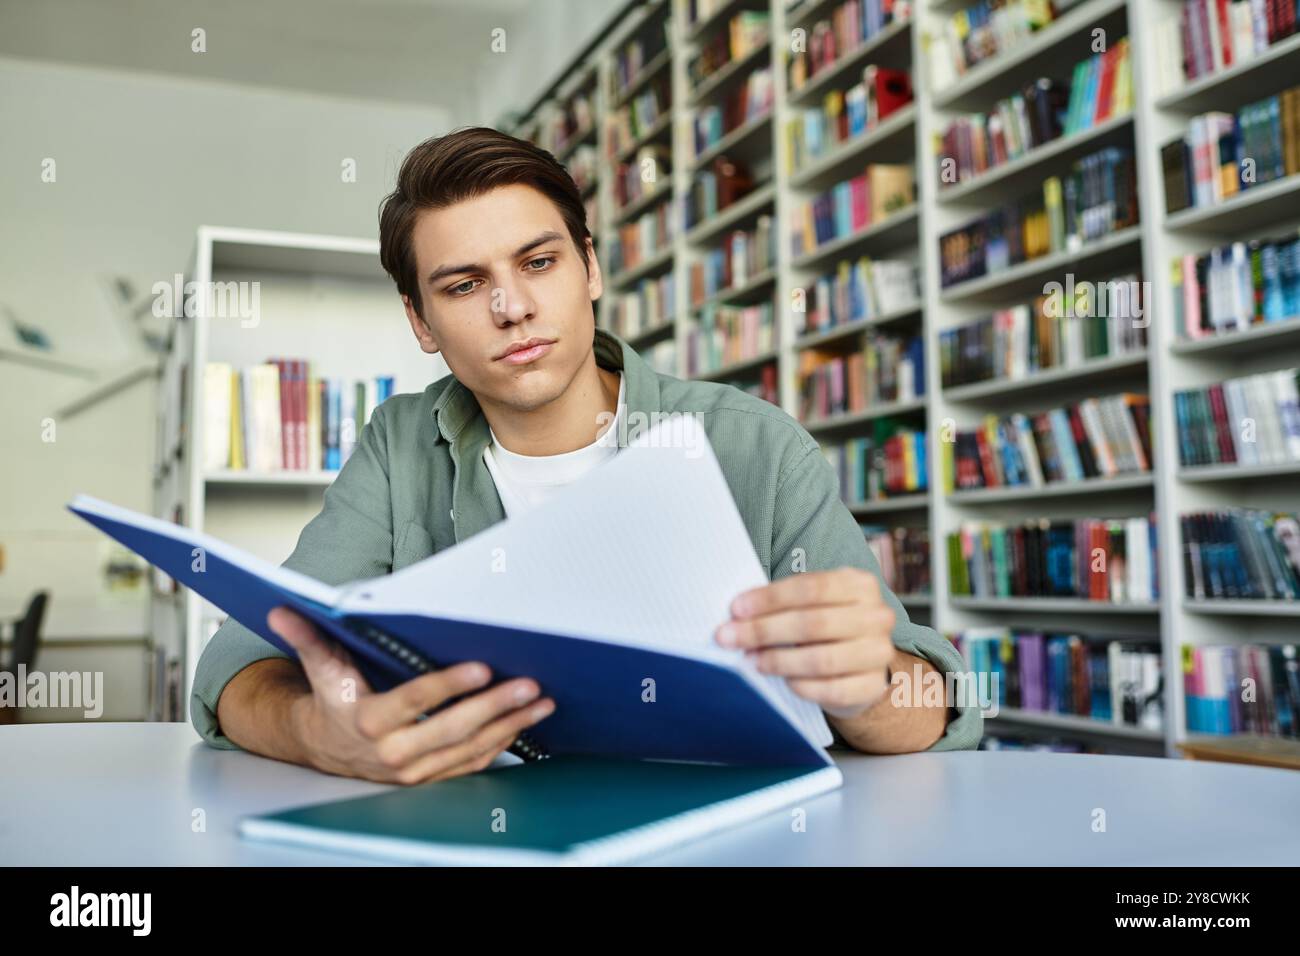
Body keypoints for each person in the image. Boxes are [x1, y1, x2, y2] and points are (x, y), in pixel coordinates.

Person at [192, 126, 981, 784]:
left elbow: (934, 710)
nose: (513, 308)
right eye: (465, 286)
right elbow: (237, 668)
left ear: (590, 267)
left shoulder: (755, 442)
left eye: (539, 263)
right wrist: (316, 733)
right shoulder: (398, 445)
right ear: (421, 322)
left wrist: (867, 687)